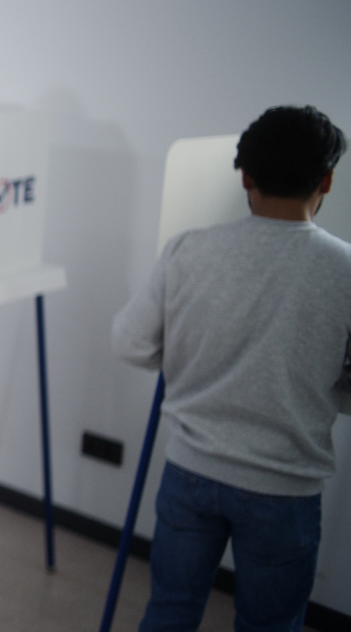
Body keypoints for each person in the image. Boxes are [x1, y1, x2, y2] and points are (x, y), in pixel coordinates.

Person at [112, 105, 349, 632]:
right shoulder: (345, 271)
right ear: (328, 180)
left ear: (245, 176)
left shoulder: (190, 252)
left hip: (191, 471)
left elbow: (128, 342)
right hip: (286, 487)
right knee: (271, 624)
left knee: (170, 612)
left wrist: (179, 362)